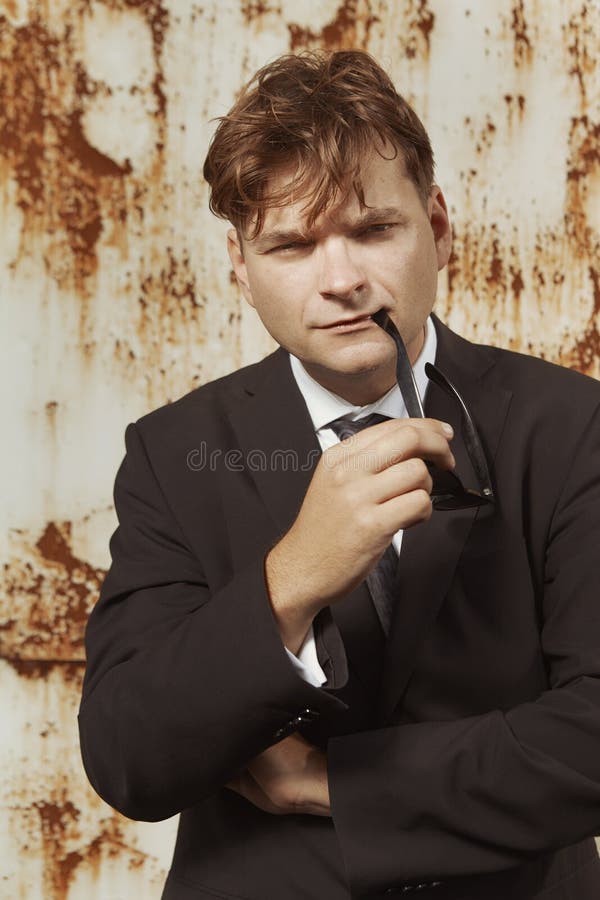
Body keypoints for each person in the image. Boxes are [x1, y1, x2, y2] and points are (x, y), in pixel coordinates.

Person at [78, 50, 600, 899]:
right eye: (291, 245)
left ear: (438, 225)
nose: (342, 281)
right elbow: (128, 758)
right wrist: (291, 580)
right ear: (240, 267)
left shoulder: (574, 426)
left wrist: (330, 784)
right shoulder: (175, 451)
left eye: (373, 230)